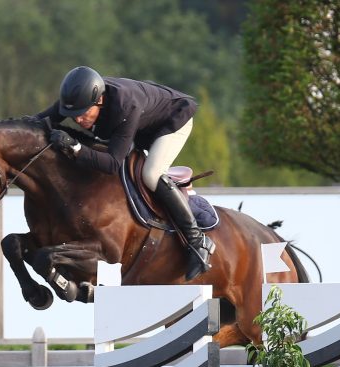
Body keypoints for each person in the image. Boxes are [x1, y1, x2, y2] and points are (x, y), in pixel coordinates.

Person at [36, 66, 215, 281]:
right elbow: (39, 121)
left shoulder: (124, 105)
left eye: (83, 114)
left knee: (151, 174)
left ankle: (197, 240)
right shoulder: (79, 99)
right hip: (141, 127)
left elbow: (112, 163)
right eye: (73, 116)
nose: (78, 120)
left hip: (174, 120)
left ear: (99, 100)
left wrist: (75, 148)